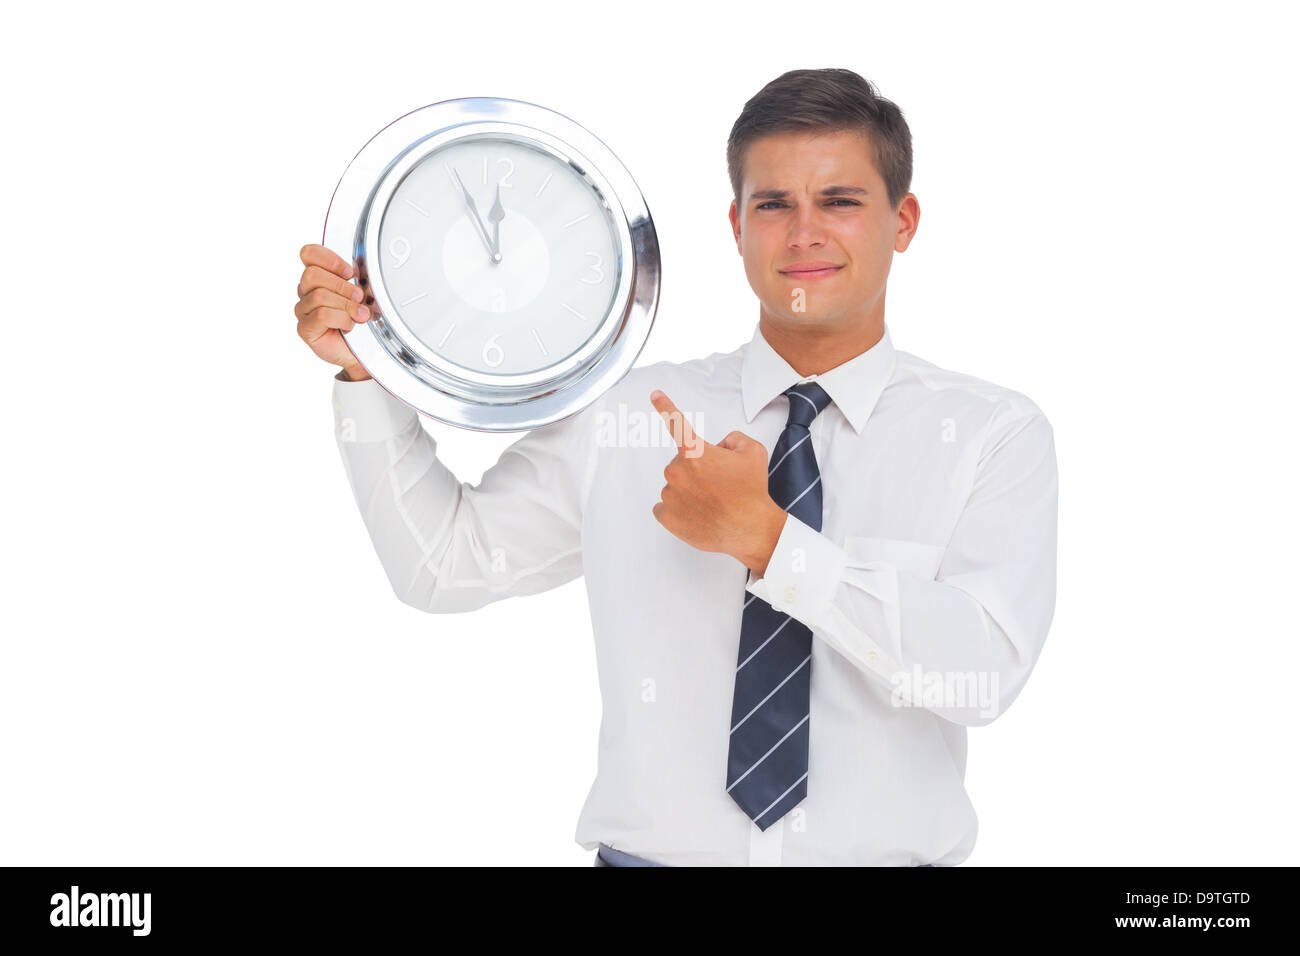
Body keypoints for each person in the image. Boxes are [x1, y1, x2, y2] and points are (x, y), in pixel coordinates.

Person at [294, 68, 1058, 866]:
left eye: (839, 201)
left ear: (902, 221)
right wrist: (363, 377)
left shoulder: (989, 434)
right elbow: (440, 567)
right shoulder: (630, 415)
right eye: (773, 205)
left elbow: (986, 669)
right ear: (735, 224)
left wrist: (770, 544)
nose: (804, 233)